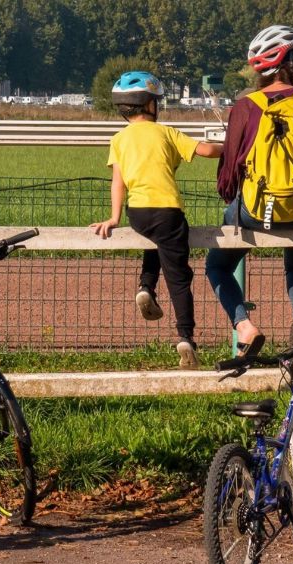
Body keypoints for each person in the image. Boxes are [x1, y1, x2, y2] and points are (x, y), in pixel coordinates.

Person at [206, 25, 293, 363]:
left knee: (217, 267)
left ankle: (245, 326)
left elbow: (227, 176)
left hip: (253, 210)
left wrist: (244, 202)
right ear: (289, 62)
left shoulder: (245, 107)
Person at [91, 71, 222, 369]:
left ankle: (146, 287)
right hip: (168, 211)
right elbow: (205, 150)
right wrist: (232, 150)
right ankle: (186, 337)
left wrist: (113, 217)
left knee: (156, 243)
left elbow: (118, 182)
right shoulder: (166, 132)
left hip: (137, 213)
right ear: (150, 104)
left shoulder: (119, 140)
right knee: (179, 278)